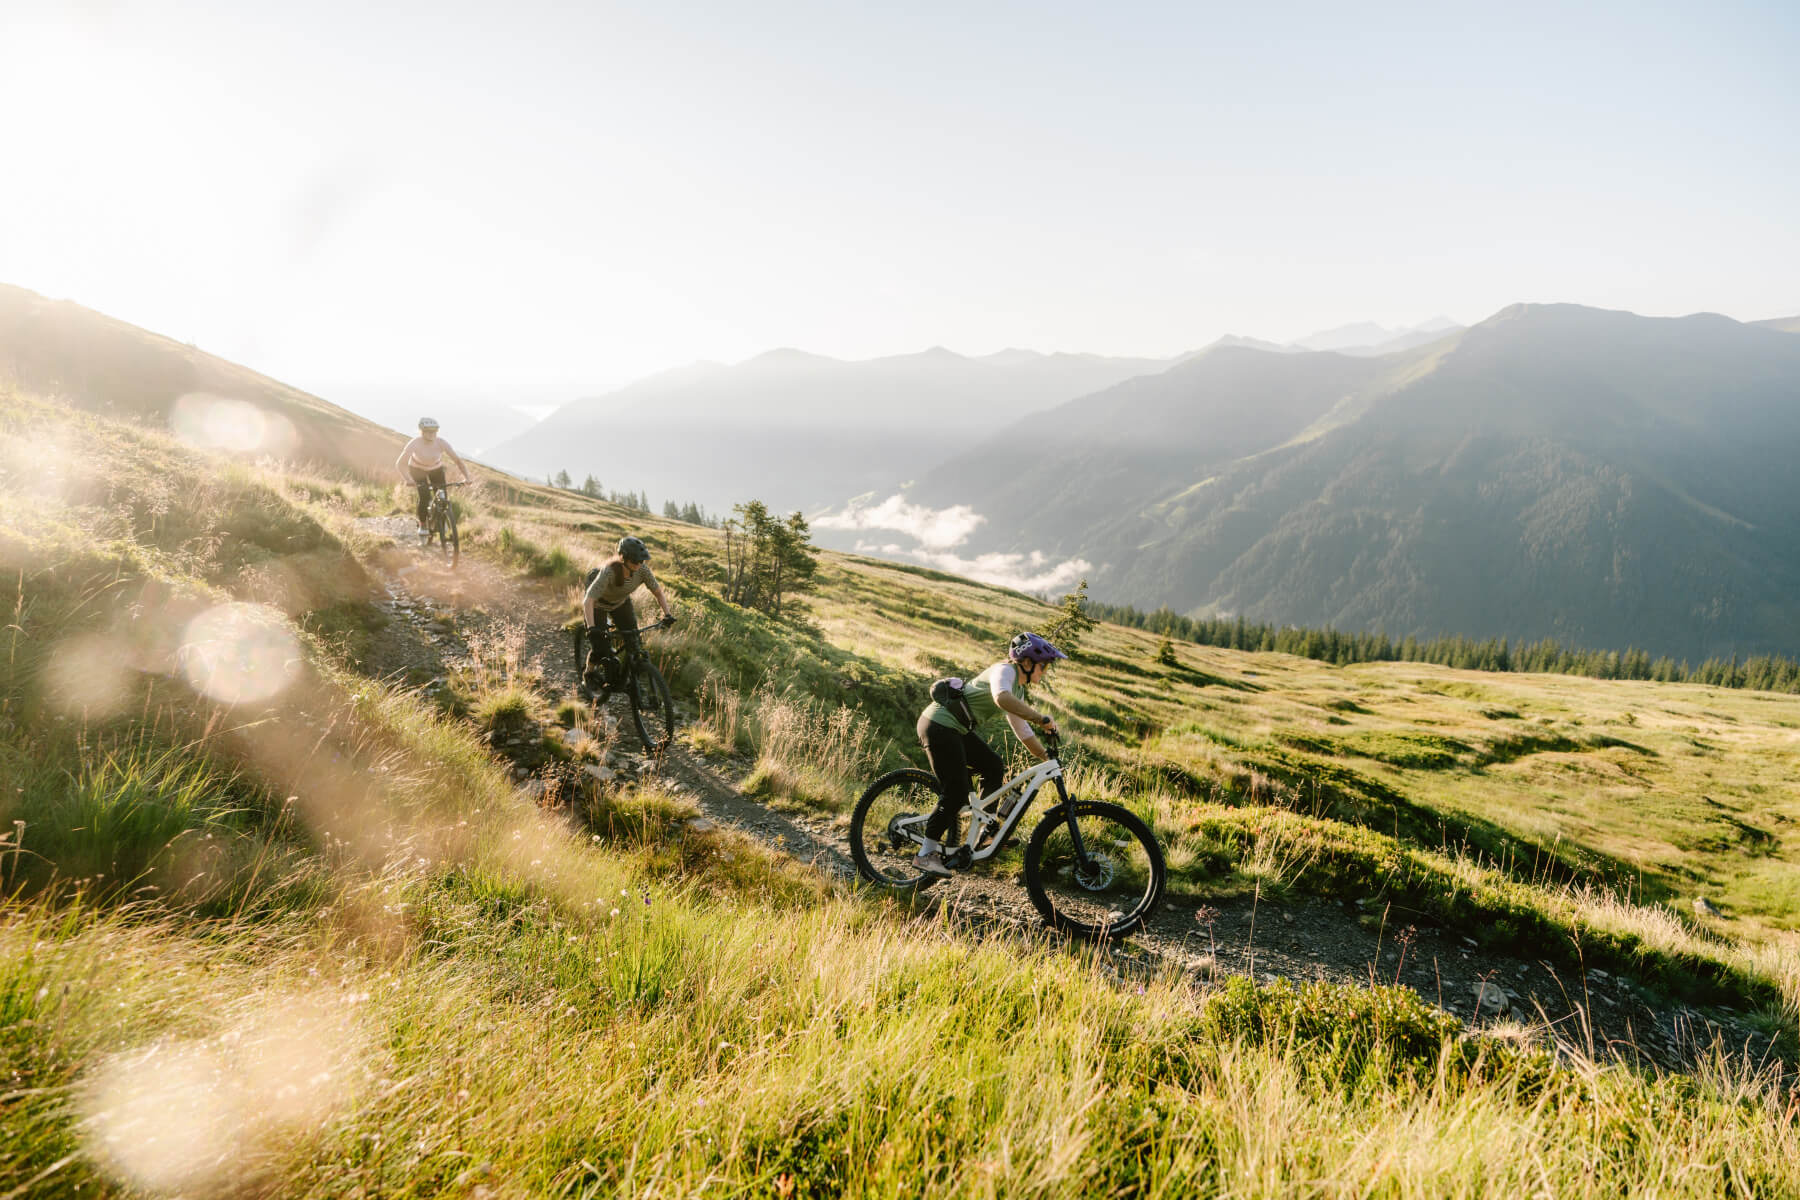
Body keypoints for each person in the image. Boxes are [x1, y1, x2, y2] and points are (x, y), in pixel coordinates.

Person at [913, 632, 1064, 877]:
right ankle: (925, 854)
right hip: (938, 724)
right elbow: (1001, 698)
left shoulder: (1018, 688)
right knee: (957, 791)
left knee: (993, 767)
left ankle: (987, 832)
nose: (1044, 671)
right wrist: (1041, 718)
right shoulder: (1004, 672)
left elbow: (1022, 731)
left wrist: (1046, 758)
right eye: (1043, 666)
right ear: (1026, 663)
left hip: (956, 729)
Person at [583, 535, 676, 690]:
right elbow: (588, 601)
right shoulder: (609, 572)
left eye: (642, 560)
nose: (639, 564)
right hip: (598, 606)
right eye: (635, 561)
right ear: (623, 558)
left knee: (634, 643)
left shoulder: (643, 570)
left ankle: (632, 679)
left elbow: (658, 592)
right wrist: (592, 628)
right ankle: (589, 672)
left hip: (621, 603)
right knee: (600, 647)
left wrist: (667, 614)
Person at [395, 417, 473, 536]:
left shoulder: (441, 443)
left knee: (443, 496)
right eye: (428, 431)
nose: (432, 434)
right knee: (425, 496)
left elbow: (457, 460)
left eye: (434, 431)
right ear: (422, 431)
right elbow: (400, 464)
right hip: (417, 469)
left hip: (436, 469)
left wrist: (467, 477)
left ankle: (441, 520)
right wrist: (408, 479)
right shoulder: (415, 443)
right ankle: (423, 524)